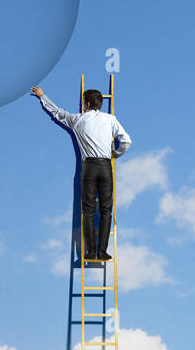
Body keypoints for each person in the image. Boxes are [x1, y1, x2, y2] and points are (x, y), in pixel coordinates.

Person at [30, 85, 131, 262]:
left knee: (89, 210)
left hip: (89, 168)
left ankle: (91, 252)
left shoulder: (78, 120)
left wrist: (43, 96)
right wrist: (115, 153)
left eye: (83, 101)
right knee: (106, 210)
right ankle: (103, 252)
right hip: (106, 166)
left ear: (87, 102)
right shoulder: (110, 119)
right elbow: (127, 141)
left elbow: (57, 113)